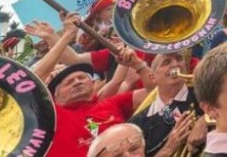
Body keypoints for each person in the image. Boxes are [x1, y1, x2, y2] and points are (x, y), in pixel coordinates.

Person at [32, 14, 155, 157]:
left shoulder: (112, 103)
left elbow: (157, 92)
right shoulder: (51, 118)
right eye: (69, 82)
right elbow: (31, 81)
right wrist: (66, 36)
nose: (77, 82)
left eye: (82, 78)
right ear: (55, 96)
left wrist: (138, 65)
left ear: (92, 85)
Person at [128, 51, 206, 157]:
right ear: (152, 77)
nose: (175, 64)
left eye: (179, 59)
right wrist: (168, 149)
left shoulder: (206, 94)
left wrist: (205, 120)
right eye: (166, 62)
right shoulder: (136, 123)